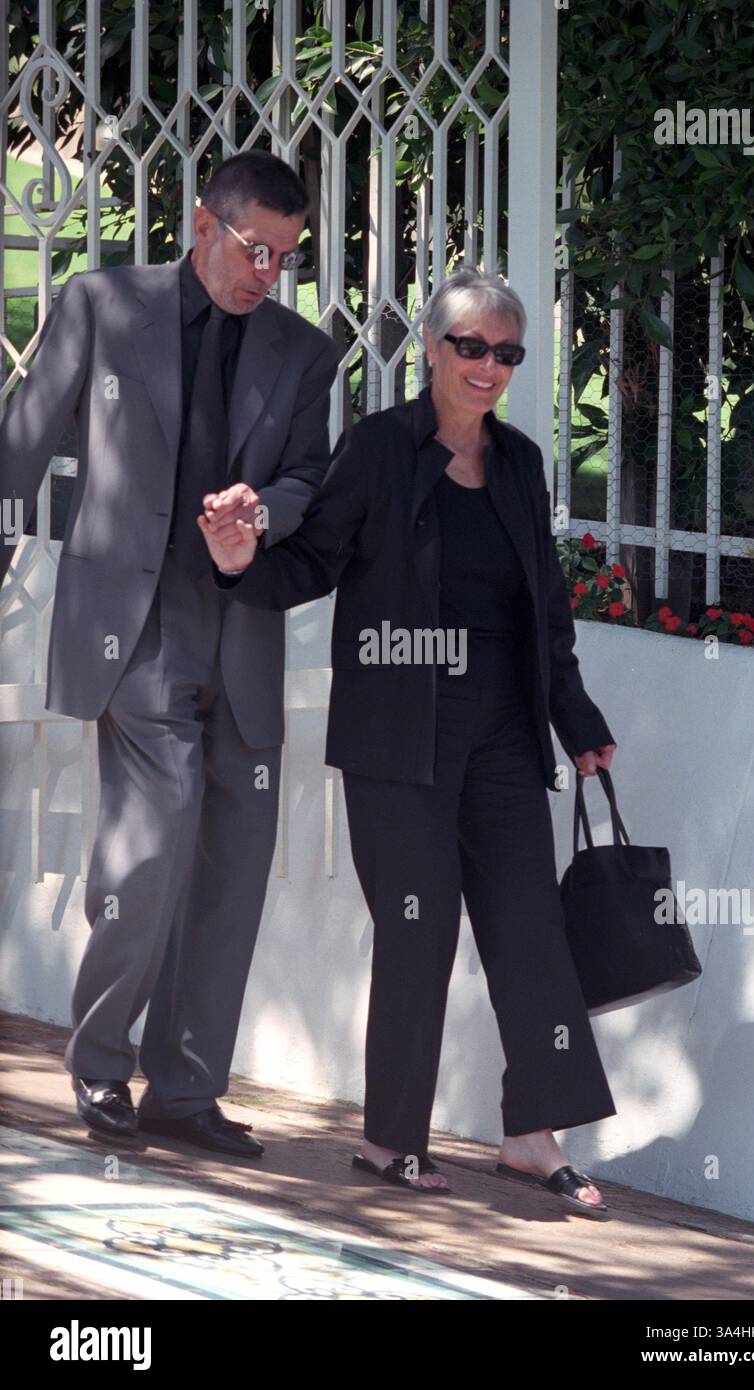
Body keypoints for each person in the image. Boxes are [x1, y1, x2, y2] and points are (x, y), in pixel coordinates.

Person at [199, 267, 618, 1213]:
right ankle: (392, 1140)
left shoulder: (518, 464)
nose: (488, 367)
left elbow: (544, 609)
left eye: (506, 352)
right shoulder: (380, 450)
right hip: (399, 741)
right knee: (418, 936)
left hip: (504, 737)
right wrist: (238, 564)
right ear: (430, 349)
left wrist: (577, 721)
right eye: (470, 346)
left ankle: (531, 1133)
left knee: (531, 930)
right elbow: (315, 561)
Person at [0, 150, 338, 1156]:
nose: (265, 270)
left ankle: (187, 1094)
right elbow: (17, 450)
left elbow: (311, 476)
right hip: (134, 630)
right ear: (203, 224)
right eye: (252, 247)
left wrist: (260, 518)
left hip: (241, 631)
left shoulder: (303, 352)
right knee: (151, 848)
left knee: (231, 870)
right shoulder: (102, 306)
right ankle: (101, 1063)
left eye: (284, 255)